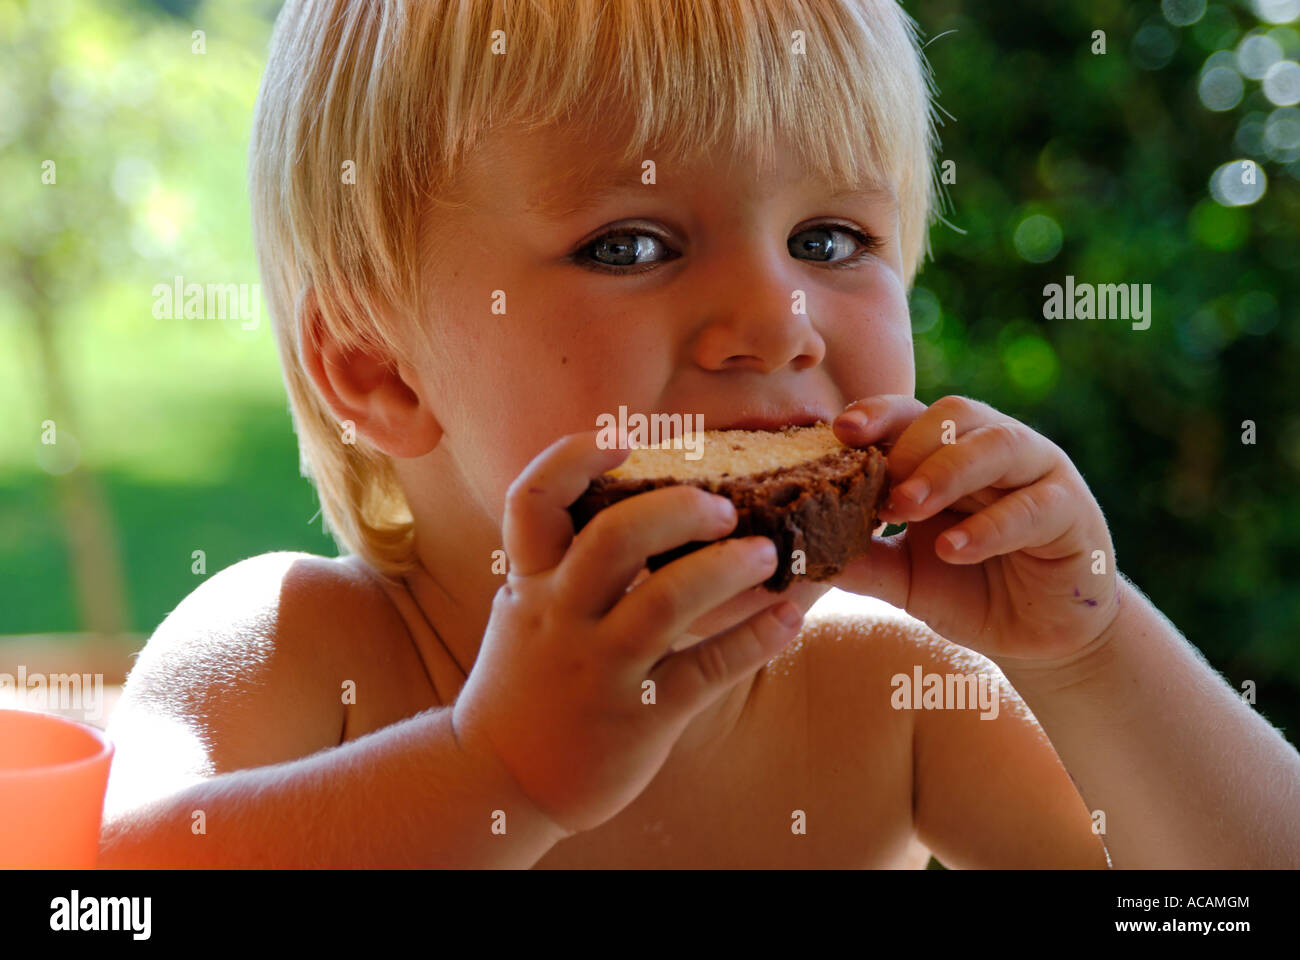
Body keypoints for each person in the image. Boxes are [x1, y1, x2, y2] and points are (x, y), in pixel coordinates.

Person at [98, 0, 1300, 868]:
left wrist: (1088, 655)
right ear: (377, 368)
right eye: (631, 244)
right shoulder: (301, 651)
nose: (773, 327)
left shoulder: (887, 692)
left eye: (829, 240)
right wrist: (500, 772)